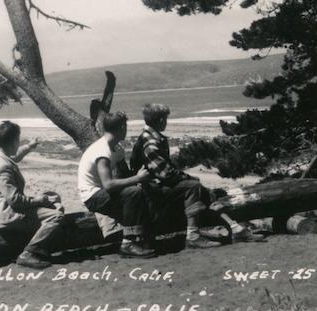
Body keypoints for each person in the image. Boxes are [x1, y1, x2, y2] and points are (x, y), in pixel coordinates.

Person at [130, 104, 265, 249]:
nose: (166, 122)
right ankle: (193, 236)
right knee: (193, 187)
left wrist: (187, 178)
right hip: (152, 191)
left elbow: (166, 172)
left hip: (157, 185)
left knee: (201, 188)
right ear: (161, 120)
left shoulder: (152, 137)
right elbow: (165, 174)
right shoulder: (150, 143)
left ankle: (236, 229)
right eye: (166, 118)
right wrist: (189, 179)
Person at [78, 111, 157, 258]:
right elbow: (108, 184)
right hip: (92, 196)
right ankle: (128, 243)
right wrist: (138, 178)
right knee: (134, 192)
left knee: (142, 191)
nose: (126, 130)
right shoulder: (102, 150)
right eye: (125, 126)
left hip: (102, 192)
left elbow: (126, 175)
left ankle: (141, 237)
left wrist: (140, 178)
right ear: (121, 127)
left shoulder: (117, 148)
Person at [0, 121, 64, 269]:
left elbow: (14, 157)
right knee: (56, 215)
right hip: (8, 214)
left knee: (52, 197)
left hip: (5, 208)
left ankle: (39, 243)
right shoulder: (2, 166)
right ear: (13, 141)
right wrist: (39, 200)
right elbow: (15, 200)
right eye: (18, 139)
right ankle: (29, 253)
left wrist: (30, 146)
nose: (19, 142)